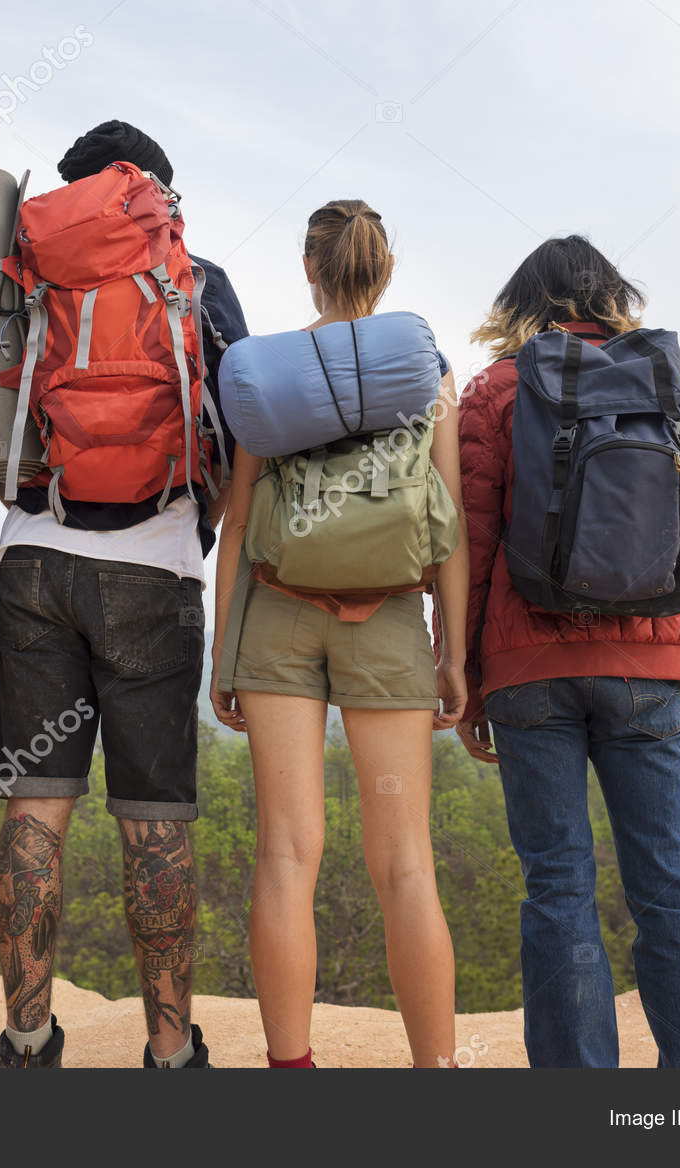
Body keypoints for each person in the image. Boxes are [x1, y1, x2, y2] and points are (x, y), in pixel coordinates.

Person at [0, 121, 248, 1070]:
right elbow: (244, 420)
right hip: (157, 566)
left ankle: (25, 1041)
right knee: (155, 821)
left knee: (32, 812)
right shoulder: (196, 279)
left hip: (36, 561)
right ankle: (170, 1054)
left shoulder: (27, 275)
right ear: (158, 197)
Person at [452, 234, 680, 1068]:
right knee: (669, 889)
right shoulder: (678, 387)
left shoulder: (497, 391)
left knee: (559, 889)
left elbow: (465, 551)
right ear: (614, 297)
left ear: (522, 304)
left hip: (530, 672)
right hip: (652, 669)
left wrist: (468, 683)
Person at [210, 200, 467, 1068]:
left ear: (309, 269)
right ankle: (434, 1074)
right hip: (391, 620)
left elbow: (239, 524)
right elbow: (451, 525)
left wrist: (225, 652)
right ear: (383, 271)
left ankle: (292, 1072)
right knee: (405, 865)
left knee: (287, 854)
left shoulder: (266, 378)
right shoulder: (428, 374)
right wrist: (452, 653)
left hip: (279, 616)